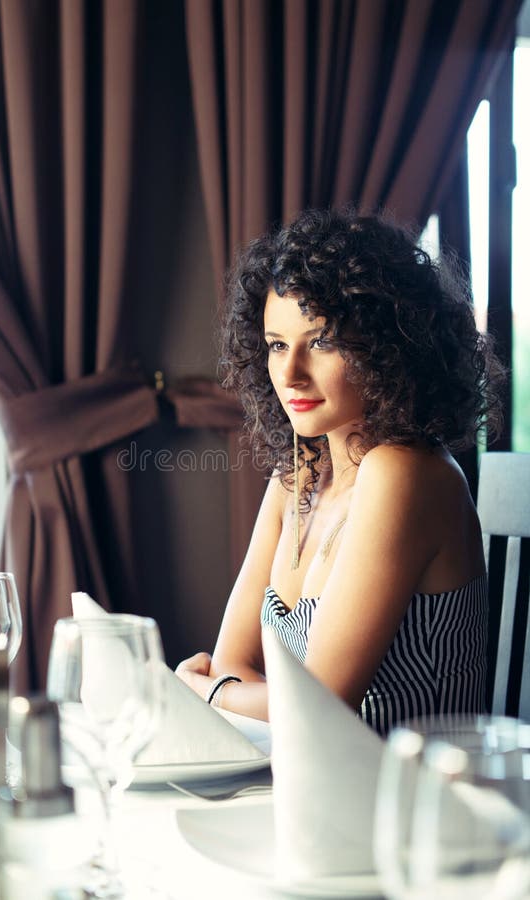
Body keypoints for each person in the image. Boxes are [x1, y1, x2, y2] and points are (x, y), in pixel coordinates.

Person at [175, 207, 504, 736]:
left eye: (321, 341)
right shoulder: (298, 476)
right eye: (277, 345)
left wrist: (205, 692)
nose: (289, 373)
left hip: (409, 803)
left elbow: (318, 705)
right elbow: (231, 660)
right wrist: (227, 686)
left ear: (387, 345)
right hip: (307, 785)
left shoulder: (406, 474)